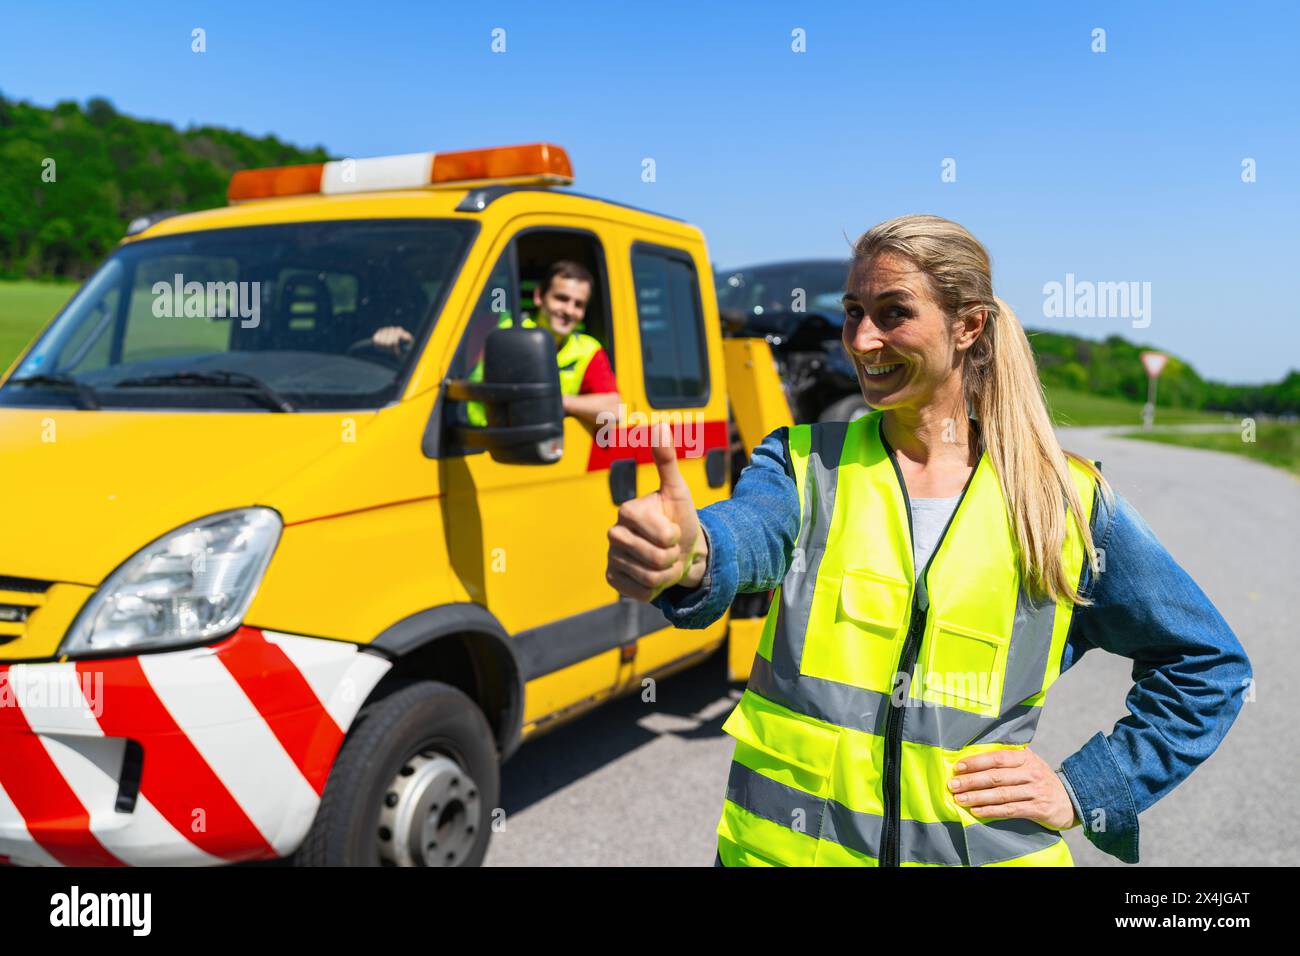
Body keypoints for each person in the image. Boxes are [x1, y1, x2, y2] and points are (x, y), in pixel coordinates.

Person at [605, 214, 1251, 867]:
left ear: (967, 326)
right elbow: (751, 532)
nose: (861, 339)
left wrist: (1085, 790)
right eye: (853, 311)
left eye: (893, 313)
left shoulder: (1064, 501)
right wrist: (694, 554)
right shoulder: (803, 465)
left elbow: (1207, 665)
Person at [372, 259, 621, 428]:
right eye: (561, 298)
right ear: (538, 296)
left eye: (578, 304)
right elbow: (442, 364)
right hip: (473, 444)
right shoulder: (494, 328)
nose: (568, 310)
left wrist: (557, 400)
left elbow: (616, 411)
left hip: (538, 454)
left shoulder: (587, 349)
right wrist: (406, 346)